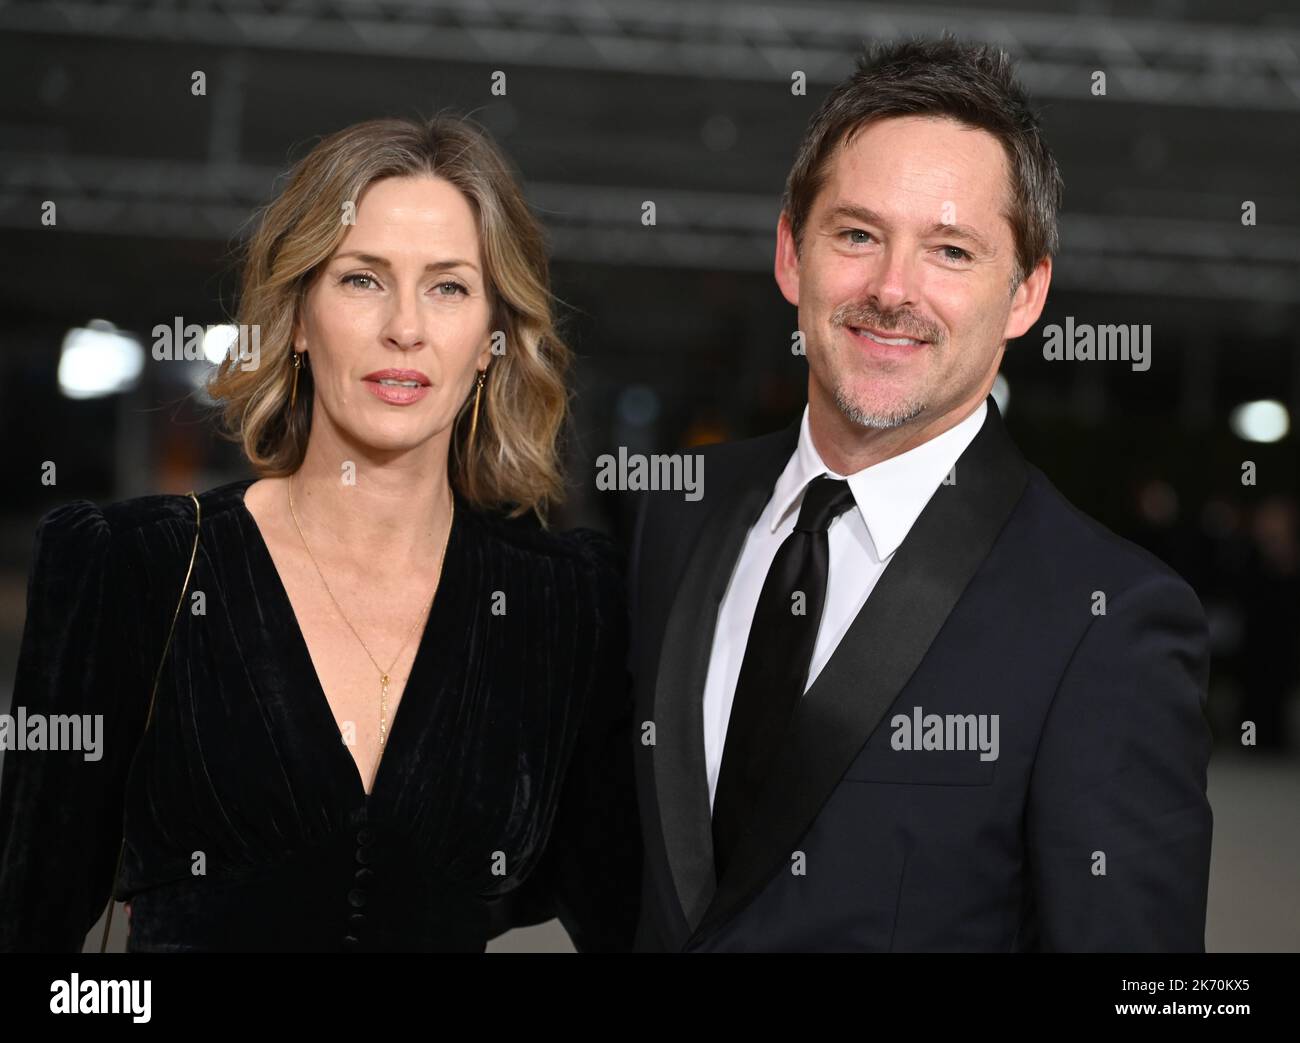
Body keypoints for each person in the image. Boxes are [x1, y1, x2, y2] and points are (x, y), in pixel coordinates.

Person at [0, 115, 640, 952]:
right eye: (362, 279)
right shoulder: (134, 567)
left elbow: (638, 920)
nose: (405, 327)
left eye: (447, 285)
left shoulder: (564, 603)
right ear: (298, 316)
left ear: (490, 338)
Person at [629, 38, 1213, 952]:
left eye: (951, 250)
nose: (892, 289)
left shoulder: (1106, 621)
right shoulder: (679, 515)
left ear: (1025, 296)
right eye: (857, 234)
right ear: (791, 254)